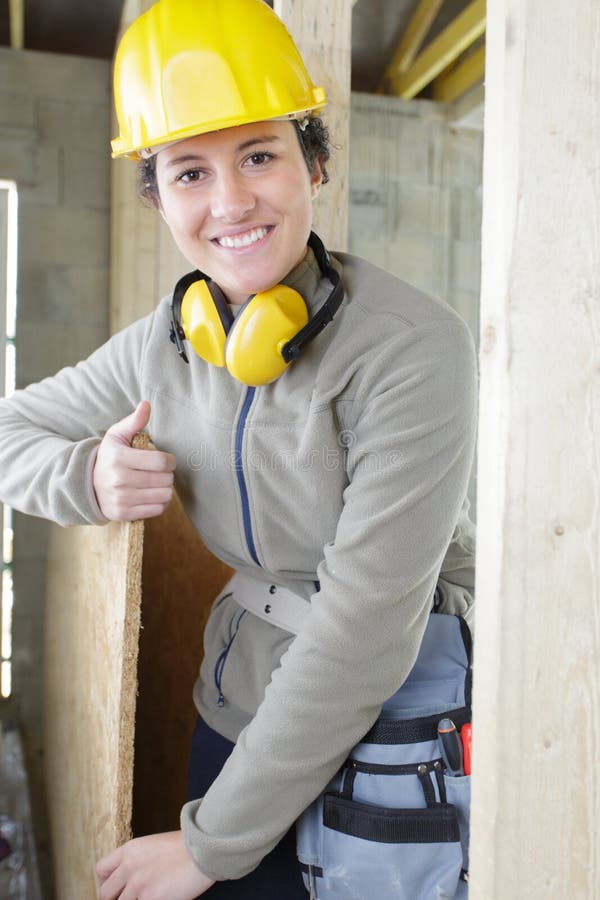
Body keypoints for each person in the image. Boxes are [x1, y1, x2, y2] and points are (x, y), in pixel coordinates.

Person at [0, 0, 478, 897]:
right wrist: (86, 476)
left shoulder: (413, 347)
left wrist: (209, 846)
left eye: (259, 155)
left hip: (395, 722)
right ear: (158, 199)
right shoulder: (165, 343)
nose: (230, 202)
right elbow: (8, 431)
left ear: (314, 163)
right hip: (236, 704)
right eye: (189, 172)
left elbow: (366, 627)